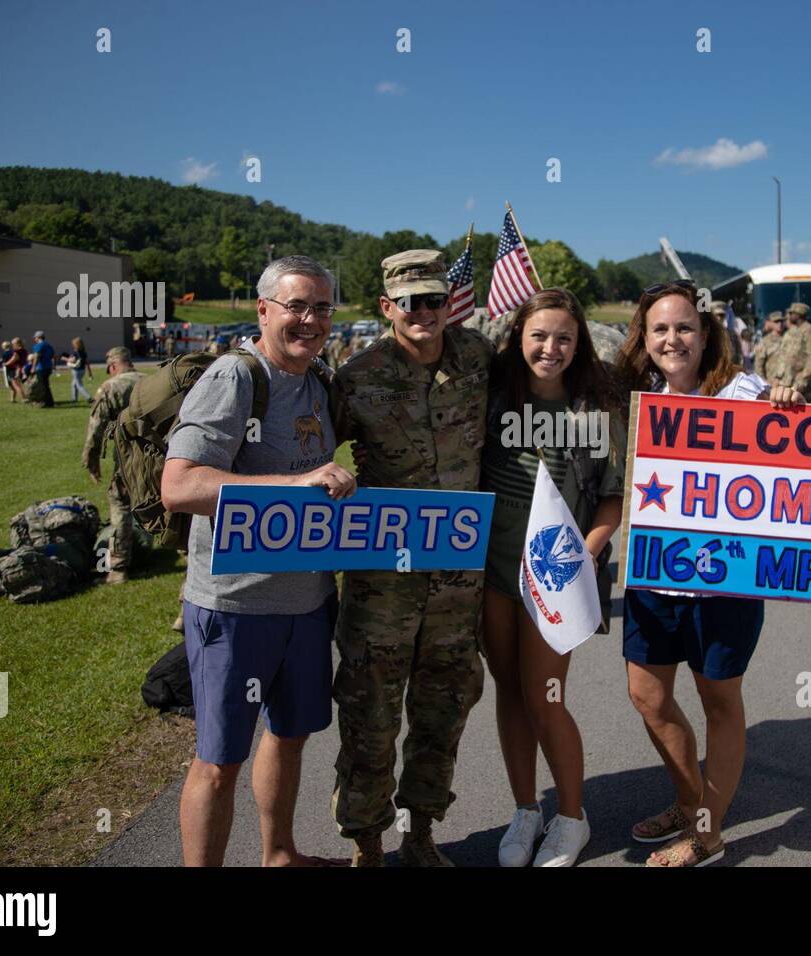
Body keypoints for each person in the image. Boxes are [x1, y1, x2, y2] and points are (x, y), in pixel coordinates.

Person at [161, 255, 356, 867]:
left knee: (290, 736)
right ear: (264, 309)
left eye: (321, 307)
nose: (310, 319)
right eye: (296, 305)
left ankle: (279, 855)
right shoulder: (235, 376)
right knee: (219, 760)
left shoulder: (320, 381)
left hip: (308, 600)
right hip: (236, 604)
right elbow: (180, 485)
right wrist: (294, 487)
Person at [613, 279, 802, 867]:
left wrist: (789, 406)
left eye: (685, 327)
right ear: (644, 340)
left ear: (705, 333)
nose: (674, 338)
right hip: (655, 576)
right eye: (660, 329)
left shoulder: (748, 393)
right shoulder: (634, 396)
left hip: (727, 583)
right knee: (647, 694)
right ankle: (690, 799)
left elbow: (800, 461)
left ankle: (706, 833)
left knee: (718, 699)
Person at [329, 249, 493, 867]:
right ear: (386, 307)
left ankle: (421, 830)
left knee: (442, 712)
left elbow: (559, 375)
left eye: (433, 300)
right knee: (369, 717)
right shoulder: (358, 375)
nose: (423, 311)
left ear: (449, 302)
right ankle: (366, 843)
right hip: (382, 587)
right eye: (409, 302)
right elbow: (305, 449)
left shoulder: (478, 358)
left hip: (457, 588)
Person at [480, 288, 626, 867]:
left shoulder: (594, 411)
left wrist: (586, 551)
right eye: (539, 335)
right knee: (510, 691)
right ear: (519, 338)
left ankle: (572, 817)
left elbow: (611, 500)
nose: (551, 347)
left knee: (546, 697)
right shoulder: (494, 401)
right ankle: (525, 809)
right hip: (492, 574)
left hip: (555, 578)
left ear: (579, 344)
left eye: (564, 337)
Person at [82, 347, 146, 584]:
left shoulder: (111, 387)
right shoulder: (151, 382)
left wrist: (92, 457)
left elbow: (96, 426)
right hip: (159, 459)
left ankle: (118, 568)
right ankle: (188, 560)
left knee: (120, 505)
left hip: (127, 460)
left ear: (112, 367)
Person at [770, 302, 811, 402]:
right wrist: (777, 376)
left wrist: (802, 380)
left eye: (792, 313)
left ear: (799, 314)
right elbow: (784, 355)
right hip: (787, 380)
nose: (789, 316)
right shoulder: (791, 331)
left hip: (801, 384)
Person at [752, 311, 785, 382]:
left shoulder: (788, 338)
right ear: (771, 323)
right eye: (776, 322)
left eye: (781, 322)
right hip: (772, 382)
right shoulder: (765, 341)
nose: (780, 324)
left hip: (788, 382)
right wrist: (764, 382)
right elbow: (758, 365)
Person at [28, 330, 56, 407]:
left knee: (42, 385)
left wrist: (33, 367)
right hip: (48, 367)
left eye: (35, 338)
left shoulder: (38, 345)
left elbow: (37, 356)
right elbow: (53, 357)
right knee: (46, 385)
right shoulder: (49, 345)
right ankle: (49, 401)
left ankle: (45, 402)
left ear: (38, 337)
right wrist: (53, 366)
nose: (34, 339)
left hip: (41, 368)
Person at [67, 336, 93, 404]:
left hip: (76, 371)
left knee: (79, 385)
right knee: (74, 384)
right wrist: (90, 373)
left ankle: (88, 398)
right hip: (82, 370)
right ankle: (74, 399)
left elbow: (73, 360)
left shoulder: (75, 352)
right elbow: (87, 362)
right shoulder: (84, 352)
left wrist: (66, 359)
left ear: (76, 344)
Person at [4, 337, 28, 403]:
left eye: (13, 344)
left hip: (16, 369)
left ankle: (24, 398)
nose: (12, 345)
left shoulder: (17, 351)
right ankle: (14, 399)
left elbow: (13, 360)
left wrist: (5, 364)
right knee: (19, 384)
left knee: (16, 385)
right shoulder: (24, 351)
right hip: (22, 368)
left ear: (17, 344)